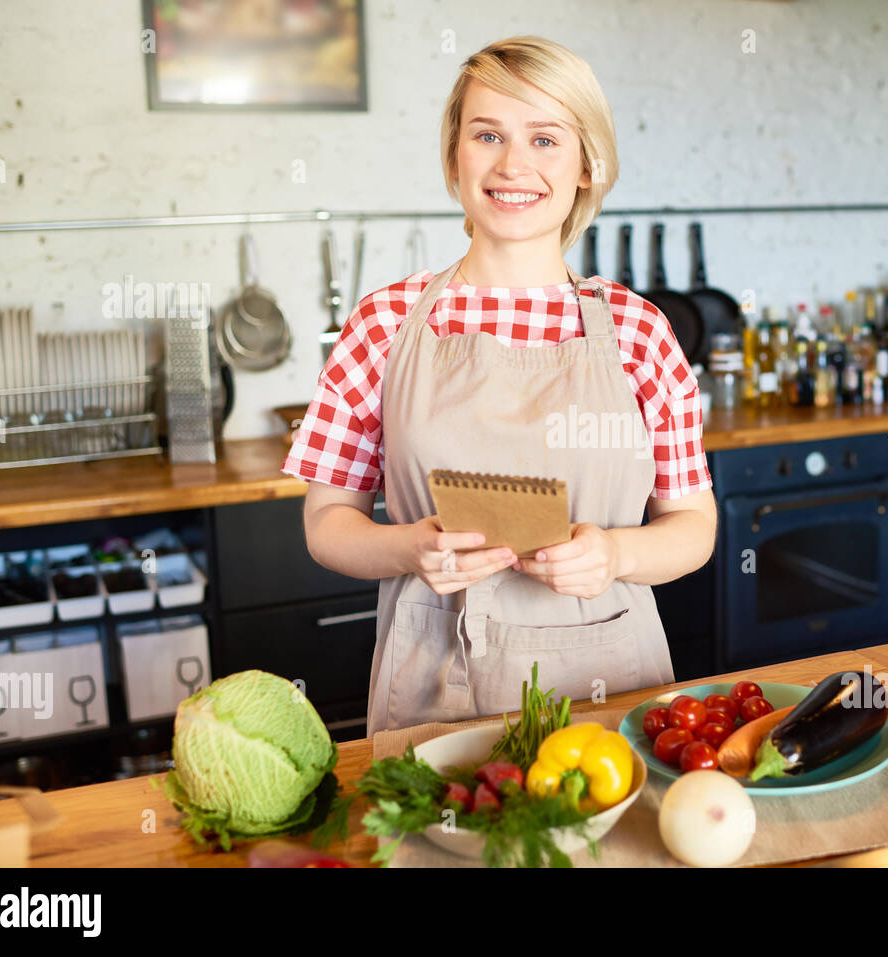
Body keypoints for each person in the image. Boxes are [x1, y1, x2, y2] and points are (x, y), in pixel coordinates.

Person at [282, 35, 716, 734]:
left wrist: (616, 553)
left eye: (545, 139)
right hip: (435, 682)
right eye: (487, 134)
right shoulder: (385, 322)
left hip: (606, 691)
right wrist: (407, 548)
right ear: (457, 155)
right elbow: (326, 523)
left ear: (587, 165)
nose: (513, 164)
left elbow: (694, 526)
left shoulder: (639, 329)